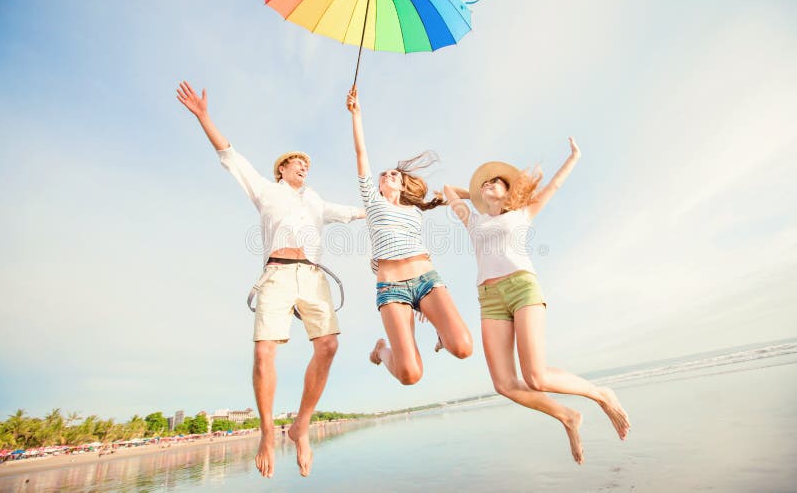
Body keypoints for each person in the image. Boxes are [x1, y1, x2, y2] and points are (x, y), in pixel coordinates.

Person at [177, 81, 365, 478]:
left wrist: (393, 204)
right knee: (264, 353)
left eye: (307, 164)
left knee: (329, 346)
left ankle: (301, 426)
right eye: (297, 163)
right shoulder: (265, 190)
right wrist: (204, 116)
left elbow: (354, 212)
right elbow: (230, 155)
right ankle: (266, 432)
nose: (304, 166)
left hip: (313, 277)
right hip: (277, 274)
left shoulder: (315, 200)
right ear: (281, 169)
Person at [443, 138, 630, 465]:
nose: (489, 183)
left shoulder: (522, 213)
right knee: (504, 384)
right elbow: (446, 189)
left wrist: (574, 157)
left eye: (496, 182)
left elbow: (555, 185)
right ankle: (567, 416)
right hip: (489, 299)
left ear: (509, 192)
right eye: (485, 182)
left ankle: (601, 394)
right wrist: (477, 194)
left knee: (536, 377)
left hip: (522, 288)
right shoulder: (473, 220)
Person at [346, 87, 473, 385]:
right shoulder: (372, 200)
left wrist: (477, 190)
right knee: (410, 374)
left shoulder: (416, 209)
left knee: (463, 348)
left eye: (395, 175)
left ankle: (441, 328)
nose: (388, 176)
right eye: (385, 175)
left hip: (426, 279)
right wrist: (357, 115)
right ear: (377, 186)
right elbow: (361, 153)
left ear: (403, 186)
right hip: (391, 289)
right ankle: (381, 350)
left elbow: (454, 194)